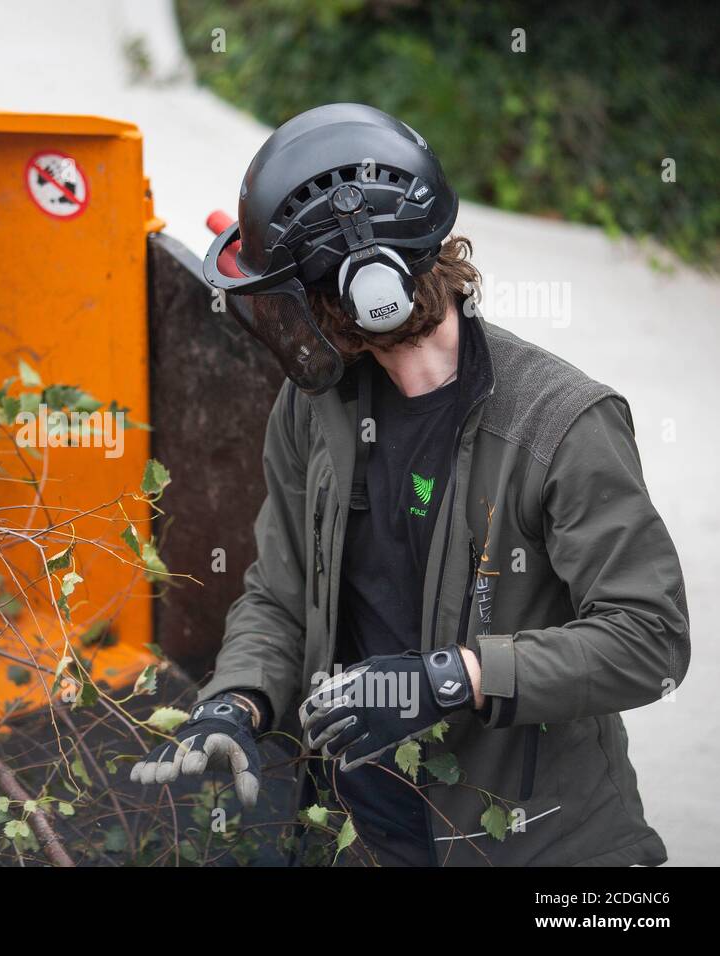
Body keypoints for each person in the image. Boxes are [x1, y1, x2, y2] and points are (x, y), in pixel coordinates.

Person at [132, 103, 690, 866]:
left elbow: (649, 641)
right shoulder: (313, 407)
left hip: (539, 845)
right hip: (356, 833)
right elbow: (280, 588)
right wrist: (236, 701)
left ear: (370, 290)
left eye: (287, 297)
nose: (277, 323)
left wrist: (457, 676)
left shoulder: (563, 425)